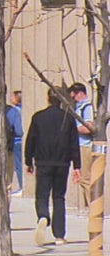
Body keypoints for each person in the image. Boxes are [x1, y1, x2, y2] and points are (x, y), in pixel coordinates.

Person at [25, 87, 82, 246]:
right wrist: (77, 166)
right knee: (59, 197)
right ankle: (59, 235)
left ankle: (43, 215)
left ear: (48, 98)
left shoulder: (38, 117)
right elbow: (74, 144)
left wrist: (28, 161)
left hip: (43, 162)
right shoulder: (68, 119)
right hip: (62, 163)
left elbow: (31, 140)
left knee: (42, 194)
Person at [69, 83, 94, 211]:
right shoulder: (78, 107)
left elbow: (89, 127)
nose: (74, 99)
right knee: (81, 177)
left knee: (85, 178)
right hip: (79, 145)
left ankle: (92, 207)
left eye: (74, 97)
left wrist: (75, 129)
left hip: (85, 146)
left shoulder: (87, 107)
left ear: (80, 93)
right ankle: (87, 205)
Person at [7, 90, 25, 195]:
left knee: (19, 165)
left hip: (17, 141)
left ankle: (22, 186)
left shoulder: (15, 111)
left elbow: (18, 130)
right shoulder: (21, 110)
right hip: (18, 141)